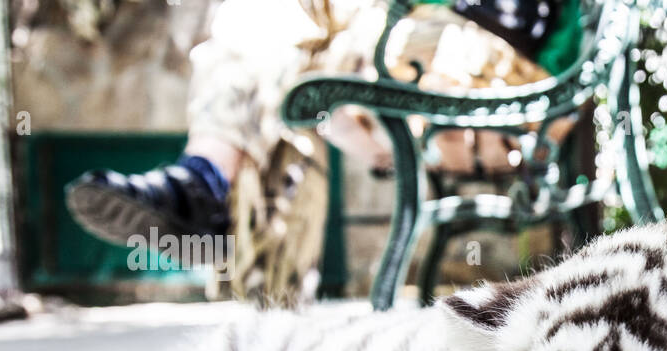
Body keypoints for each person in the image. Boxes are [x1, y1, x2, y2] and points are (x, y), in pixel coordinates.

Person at [66, 0, 572, 306]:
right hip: (417, 52)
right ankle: (208, 186)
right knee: (281, 64)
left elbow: (571, 72)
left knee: (301, 71)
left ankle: (208, 195)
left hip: (496, 80)